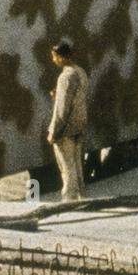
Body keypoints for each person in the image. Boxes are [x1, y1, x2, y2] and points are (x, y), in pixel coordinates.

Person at [47, 42, 89, 201]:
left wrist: (54, 131)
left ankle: (68, 201)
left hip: (66, 129)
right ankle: (81, 198)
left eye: (54, 57)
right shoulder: (80, 72)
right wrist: (58, 95)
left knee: (67, 168)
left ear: (61, 57)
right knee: (78, 166)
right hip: (80, 124)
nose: (53, 60)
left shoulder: (65, 76)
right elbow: (77, 97)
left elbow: (62, 110)